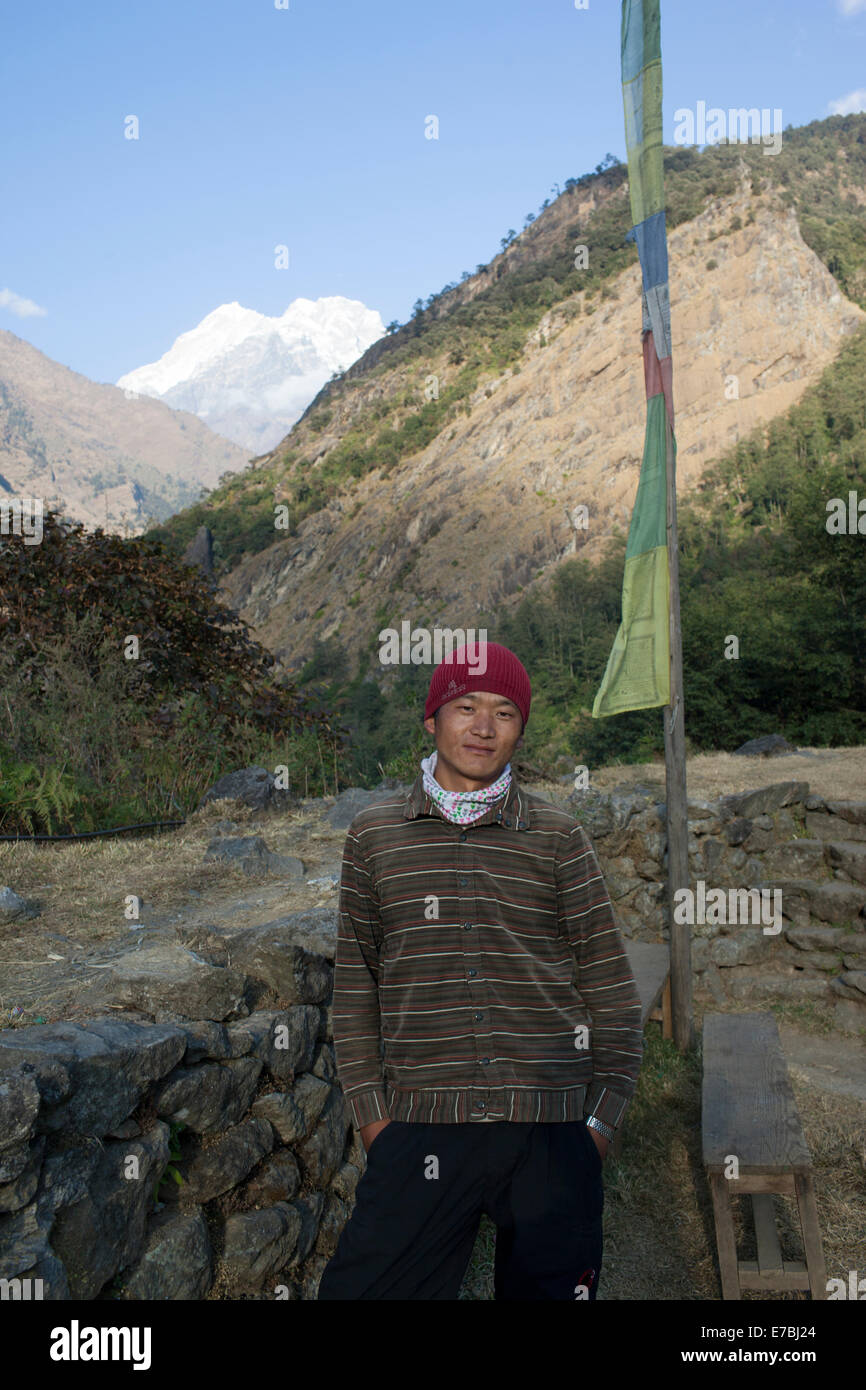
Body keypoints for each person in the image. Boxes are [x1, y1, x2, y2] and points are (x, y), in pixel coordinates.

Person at [317, 640, 643, 1300]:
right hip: (420, 1125)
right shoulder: (375, 834)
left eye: (504, 712)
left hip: (550, 1127)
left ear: (521, 727)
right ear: (433, 718)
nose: (484, 728)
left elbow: (609, 987)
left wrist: (598, 1125)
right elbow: (356, 987)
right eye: (465, 707)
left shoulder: (556, 836)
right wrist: (375, 1120)